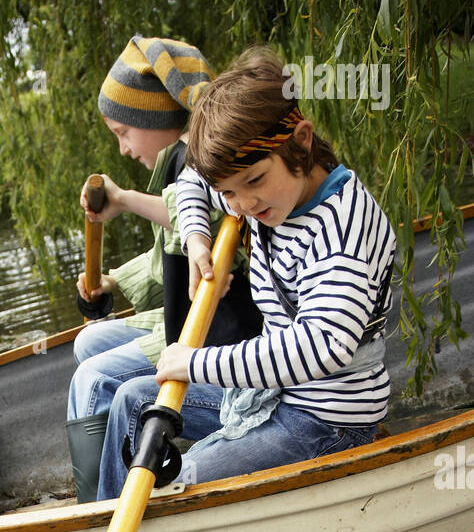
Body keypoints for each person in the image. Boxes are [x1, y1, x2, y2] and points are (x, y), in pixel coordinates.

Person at [95, 46, 396, 501]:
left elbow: (321, 349)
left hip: (324, 419)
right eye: (228, 194)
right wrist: (197, 239)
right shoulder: (263, 189)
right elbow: (193, 181)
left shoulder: (342, 227)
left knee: (183, 480)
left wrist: (196, 362)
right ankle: (100, 530)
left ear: (301, 139)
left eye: (252, 182)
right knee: (132, 401)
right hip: (269, 394)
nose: (243, 206)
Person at [67, 36, 261, 499]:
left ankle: (95, 501)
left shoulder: (202, 161)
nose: (124, 150)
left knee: (92, 378)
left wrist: (124, 199)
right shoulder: (177, 164)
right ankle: (108, 470)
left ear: (154, 118)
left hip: (218, 337)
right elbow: (170, 256)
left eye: (122, 133)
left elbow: (192, 216)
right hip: (185, 322)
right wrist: (113, 280)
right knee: (88, 338)